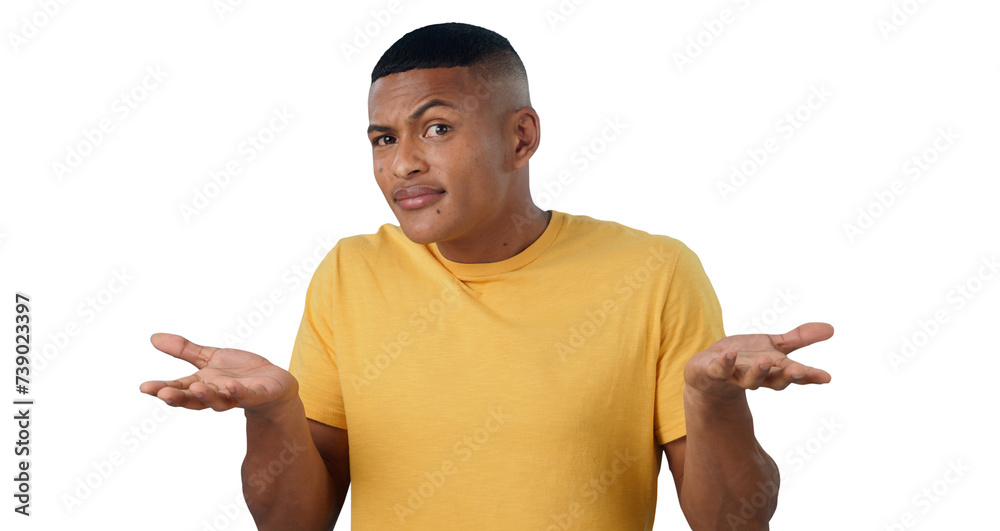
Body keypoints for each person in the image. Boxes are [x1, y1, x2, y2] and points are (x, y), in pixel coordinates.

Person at [140, 22, 833, 530]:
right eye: (383, 138)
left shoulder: (652, 272)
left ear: (521, 137)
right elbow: (294, 522)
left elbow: (734, 523)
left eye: (435, 128)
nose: (403, 162)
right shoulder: (351, 272)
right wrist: (272, 413)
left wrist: (713, 402)